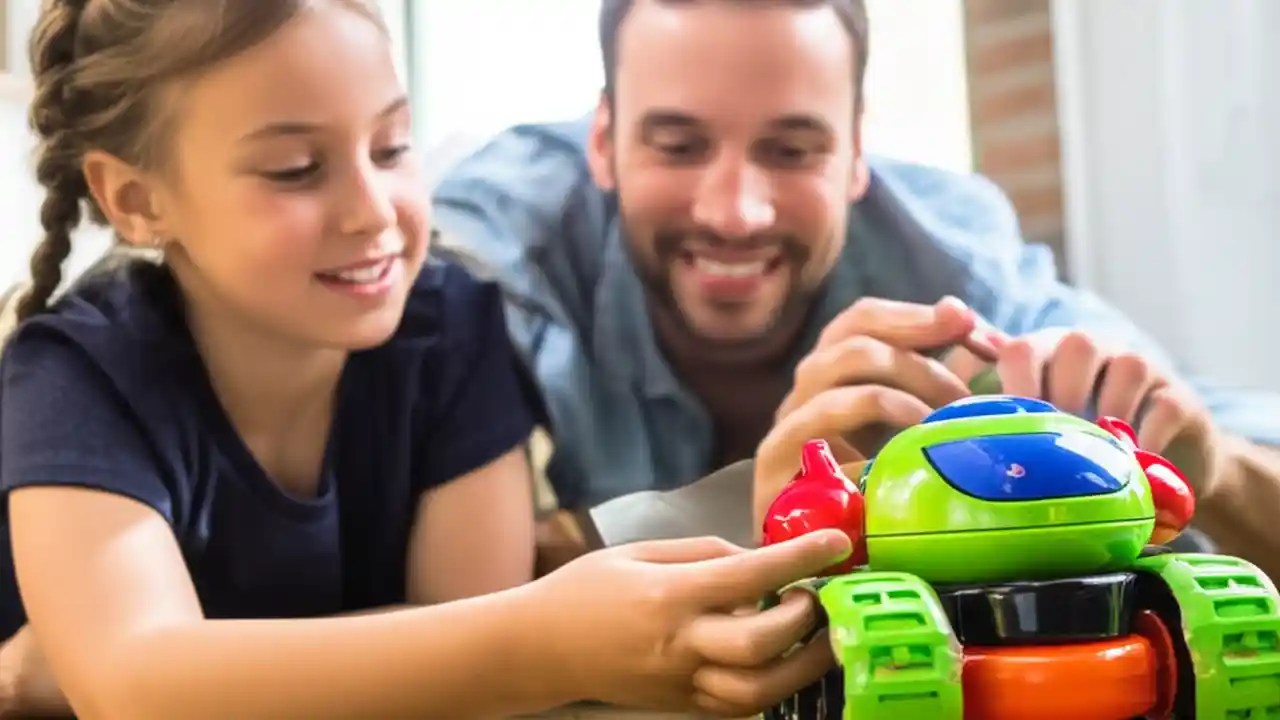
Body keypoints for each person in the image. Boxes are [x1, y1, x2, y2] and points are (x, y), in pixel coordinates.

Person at [0, 1, 851, 717]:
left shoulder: (450, 325)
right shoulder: (74, 378)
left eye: (391, 147)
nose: (374, 212)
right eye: (296, 170)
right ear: (137, 200)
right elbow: (138, 687)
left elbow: (462, 651)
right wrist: (547, 641)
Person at [431, 0, 1280, 578]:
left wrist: (1216, 474)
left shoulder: (955, 272)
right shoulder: (492, 258)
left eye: (793, 149)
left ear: (859, 150)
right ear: (603, 136)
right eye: (680, 146)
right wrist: (752, 512)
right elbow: (448, 601)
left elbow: (1217, 457)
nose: (736, 212)